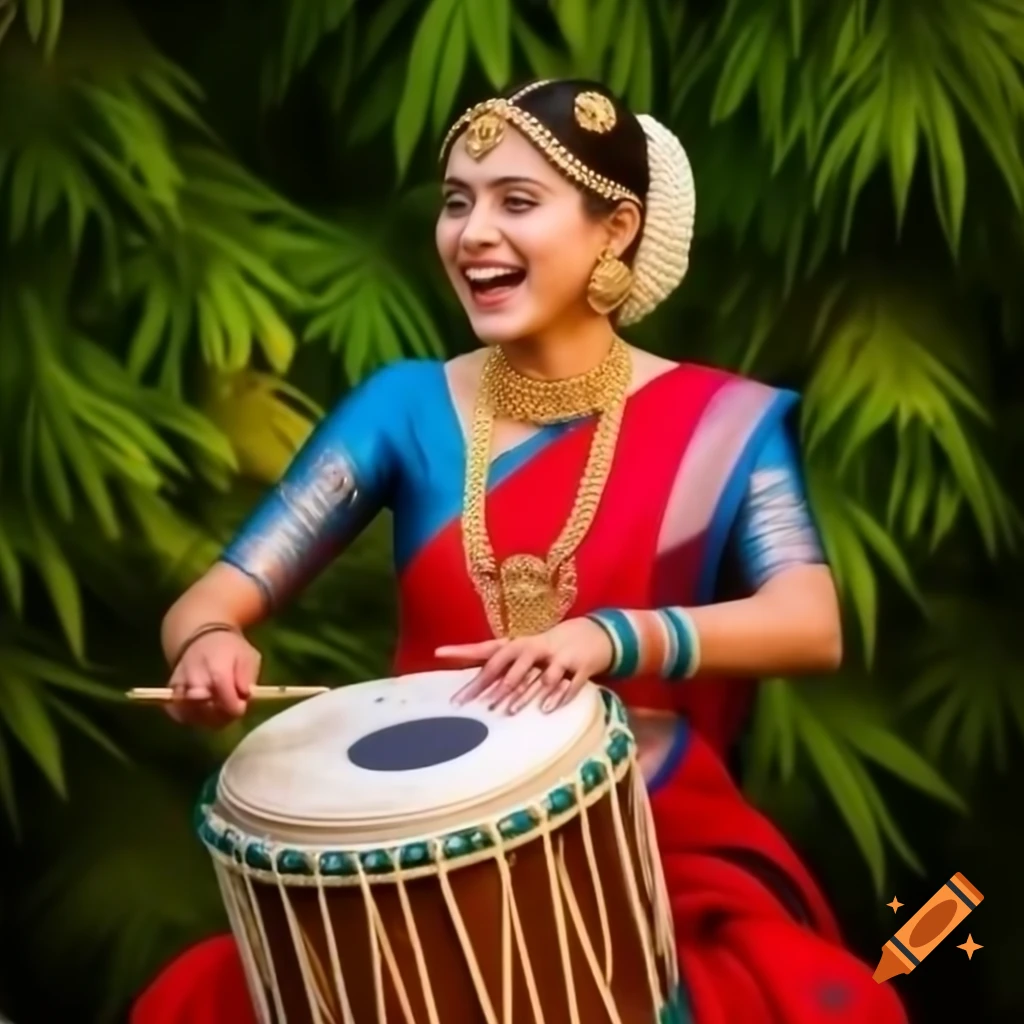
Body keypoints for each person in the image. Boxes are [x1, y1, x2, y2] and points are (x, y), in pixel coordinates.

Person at [130, 79, 907, 1024]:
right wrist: (208, 643)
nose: (474, 233)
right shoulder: (403, 408)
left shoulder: (721, 424)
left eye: (517, 201)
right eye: (457, 202)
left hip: (643, 833)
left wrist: (610, 637)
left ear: (615, 229)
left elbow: (810, 623)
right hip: (408, 847)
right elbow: (213, 598)